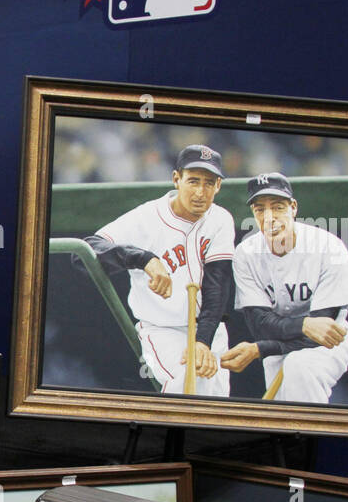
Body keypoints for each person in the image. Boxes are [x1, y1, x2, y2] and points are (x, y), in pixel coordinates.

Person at [84, 144, 236, 394]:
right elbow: (89, 249)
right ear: (177, 179)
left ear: (218, 186)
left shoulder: (220, 219)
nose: (200, 191)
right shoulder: (147, 217)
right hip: (164, 330)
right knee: (188, 388)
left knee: (213, 405)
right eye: (193, 181)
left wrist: (202, 341)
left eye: (209, 183)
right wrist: (143, 259)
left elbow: (217, 287)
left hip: (210, 330)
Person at [220, 172, 348, 402]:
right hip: (277, 343)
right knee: (278, 413)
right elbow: (261, 326)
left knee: (299, 366)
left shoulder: (329, 248)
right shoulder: (246, 254)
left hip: (333, 341)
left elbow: (322, 334)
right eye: (260, 210)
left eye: (277, 207)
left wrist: (259, 349)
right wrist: (303, 325)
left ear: (293, 207)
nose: (269, 217)